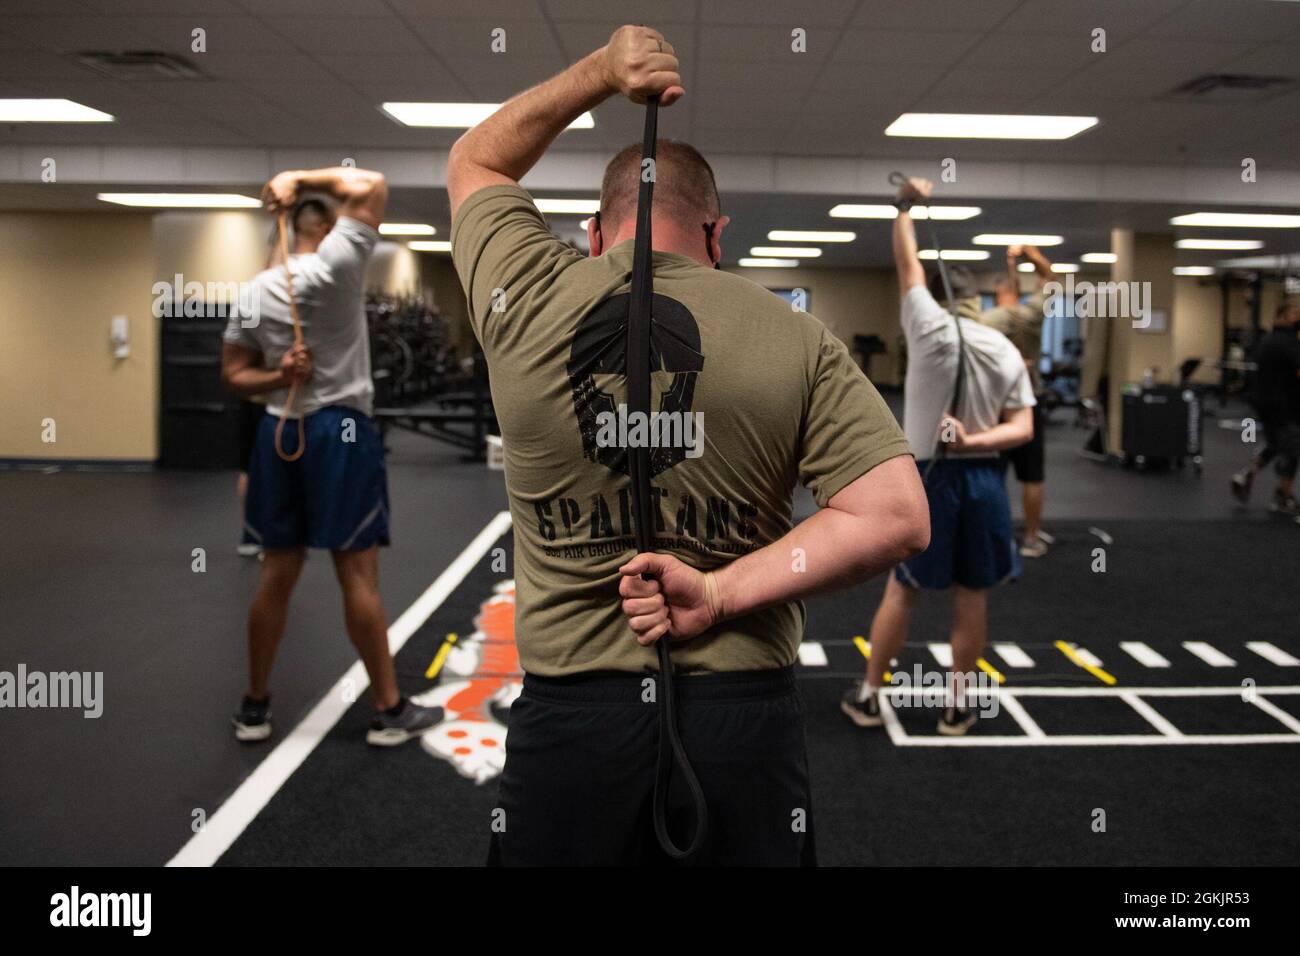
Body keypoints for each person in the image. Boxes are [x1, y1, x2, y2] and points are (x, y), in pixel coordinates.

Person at [447, 24, 928, 865]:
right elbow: (895, 519)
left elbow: (476, 164)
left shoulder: (520, 296)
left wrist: (602, 73)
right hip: (740, 723)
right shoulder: (796, 337)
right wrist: (717, 591)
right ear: (717, 235)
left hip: (570, 726)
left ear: (595, 236)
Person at [220, 166, 440, 746]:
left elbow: (235, 375)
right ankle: (389, 711)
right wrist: (297, 175)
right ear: (323, 226)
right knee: (358, 577)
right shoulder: (335, 268)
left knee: (276, 575)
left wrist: (277, 374)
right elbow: (369, 184)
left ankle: (254, 707)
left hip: (277, 433)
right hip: (339, 432)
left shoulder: (250, 293)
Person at [842, 176, 1034, 737]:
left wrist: (905, 206)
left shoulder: (925, 325)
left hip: (927, 479)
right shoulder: (1005, 348)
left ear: (938, 294)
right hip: (984, 481)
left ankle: (872, 695)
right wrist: (975, 441)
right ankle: (957, 706)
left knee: (904, 588)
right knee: (972, 596)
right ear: (979, 301)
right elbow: (1023, 427)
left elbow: (909, 267)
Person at [978, 243, 1052, 557]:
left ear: (996, 295)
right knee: (1032, 476)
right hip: (1029, 405)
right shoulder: (1031, 314)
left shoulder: (985, 321)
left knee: (993, 474)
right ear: (1018, 292)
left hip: (994, 408)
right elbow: (1049, 279)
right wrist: (1032, 254)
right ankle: (1031, 539)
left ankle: (990, 537)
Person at [1231, 301, 1300, 514]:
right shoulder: (1287, 342)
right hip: (1284, 405)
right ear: (1283, 315)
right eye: (1295, 313)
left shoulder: (1266, 339)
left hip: (1265, 402)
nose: (1297, 317)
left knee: (1275, 443)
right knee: (1292, 447)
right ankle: (1283, 495)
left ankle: (1245, 475)